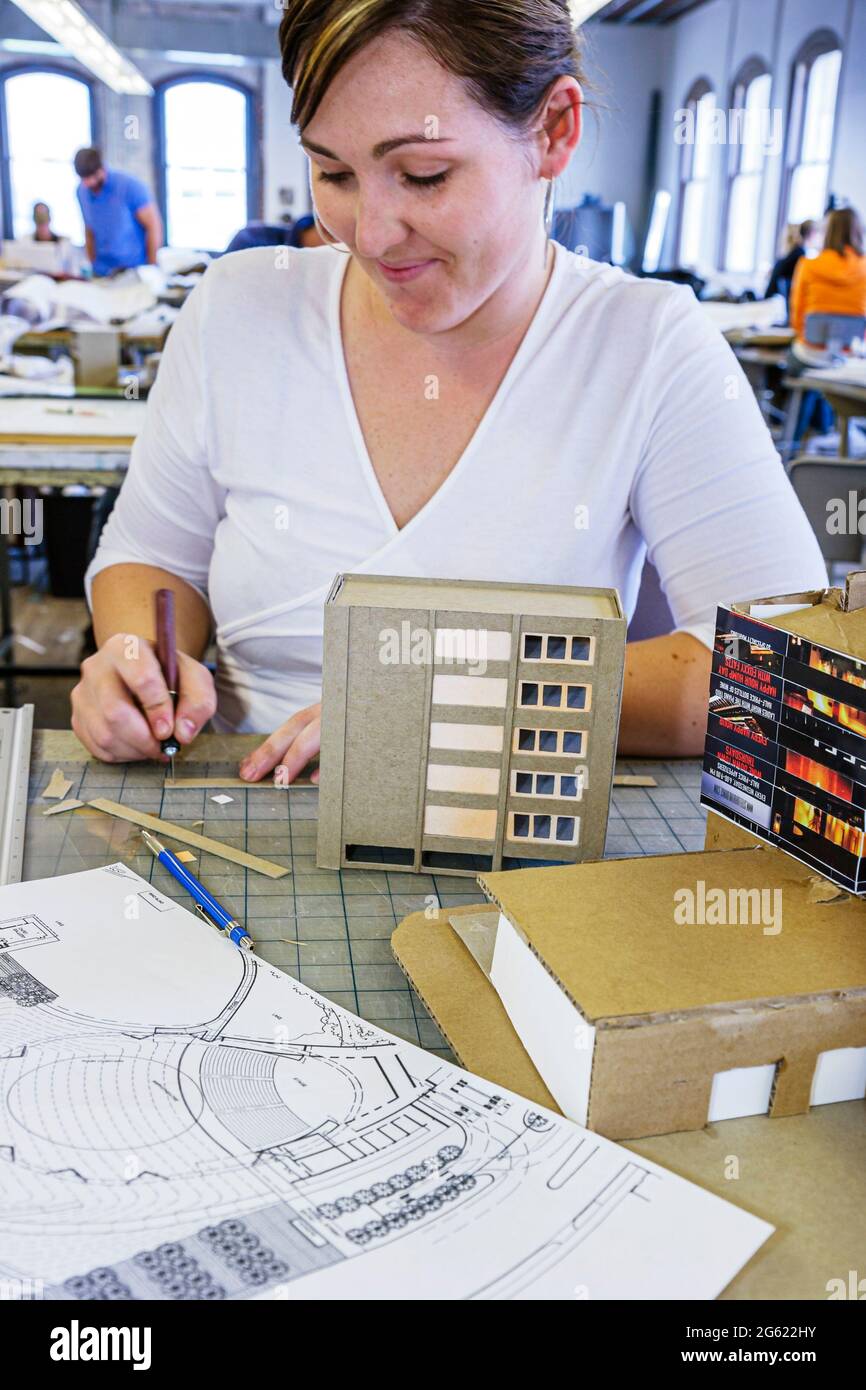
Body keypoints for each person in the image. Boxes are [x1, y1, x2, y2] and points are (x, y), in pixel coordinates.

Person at [73, 0, 826, 784]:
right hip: (241, 806)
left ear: (553, 131)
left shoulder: (648, 342)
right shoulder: (238, 307)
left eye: (424, 176)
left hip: (516, 845)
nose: (368, 234)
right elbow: (152, 558)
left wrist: (475, 696)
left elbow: (787, 675)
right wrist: (135, 659)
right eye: (333, 172)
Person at [74, 146, 163, 278]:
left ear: (101, 169)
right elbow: (89, 229)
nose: (88, 184)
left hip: (133, 271)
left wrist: (151, 268)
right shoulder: (82, 192)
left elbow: (153, 226)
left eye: (91, 178)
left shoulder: (130, 187)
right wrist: (91, 264)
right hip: (102, 271)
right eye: (84, 179)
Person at [765, 220, 822, 312]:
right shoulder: (800, 254)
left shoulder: (796, 251)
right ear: (812, 233)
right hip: (777, 303)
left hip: (775, 299)